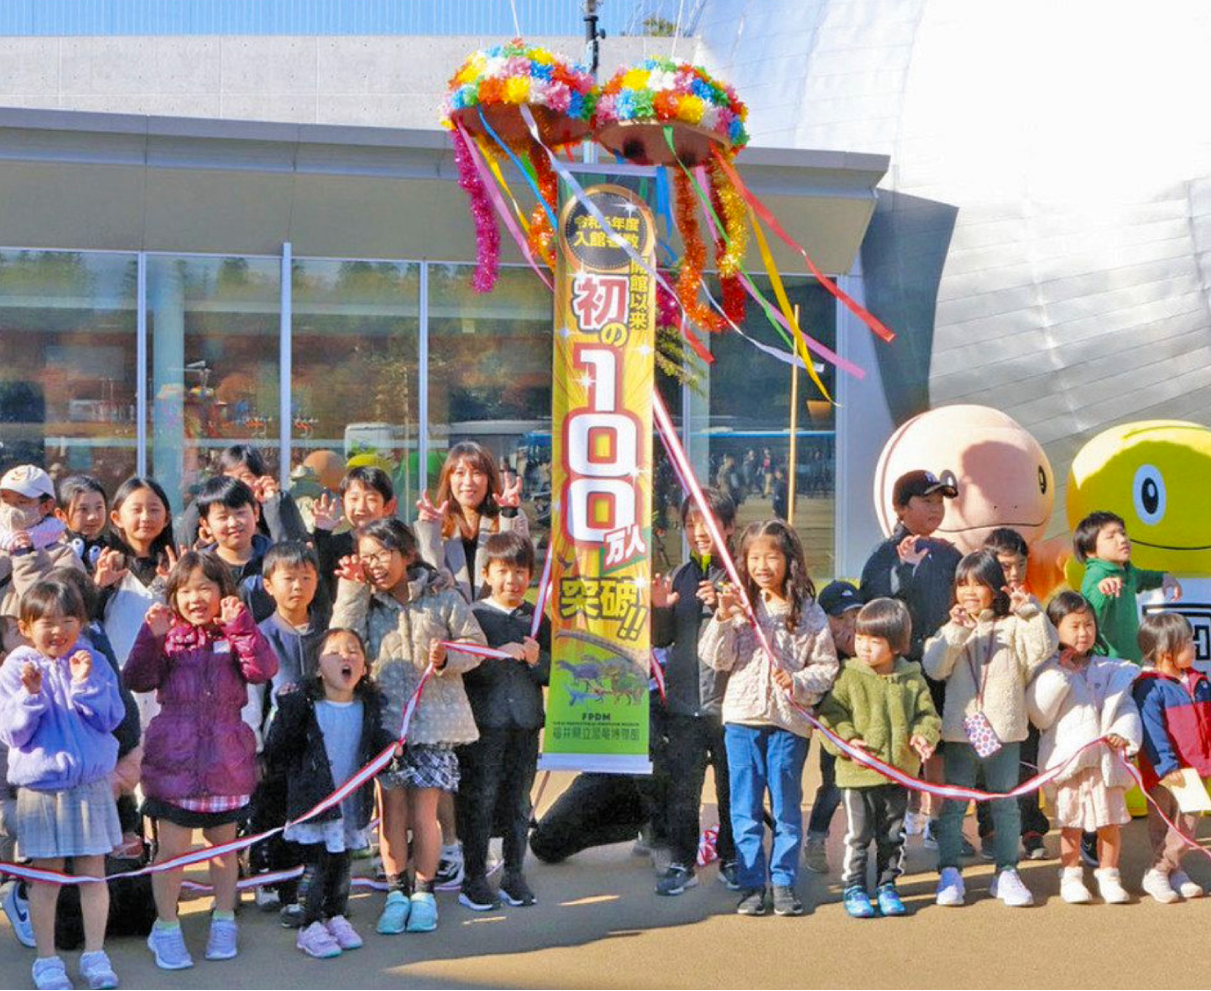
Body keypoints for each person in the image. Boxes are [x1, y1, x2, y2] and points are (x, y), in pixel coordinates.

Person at [331, 518, 486, 936]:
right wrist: (351, 589)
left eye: (382, 554)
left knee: (425, 814)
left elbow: (475, 646)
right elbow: (341, 642)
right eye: (366, 557)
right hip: (386, 727)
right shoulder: (368, 601)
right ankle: (396, 891)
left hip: (434, 724)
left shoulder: (442, 596)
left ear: (408, 554)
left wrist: (447, 660)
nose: (374, 565)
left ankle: (424, 892)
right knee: (391, 813)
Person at [124, 550, 278, 970]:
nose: (196, 598)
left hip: (225, 762)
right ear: (173, 596)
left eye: (205, 588)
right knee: (171, 851)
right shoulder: (166, 636)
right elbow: (137, 678)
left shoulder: (234, 633)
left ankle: (224, 918)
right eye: (186, 590)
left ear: (223, 593)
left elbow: (264, 669)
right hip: (174, 761)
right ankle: (167, 927)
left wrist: (241, 626)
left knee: (224, 850)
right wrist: (149, 637)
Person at [701, 519, 840, 917]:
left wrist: (796, 681)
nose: (762, 566)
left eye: (772, 557)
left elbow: (826, 667)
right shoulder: (741, 605)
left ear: (789, 560)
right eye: (754, 558)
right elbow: (715, 658)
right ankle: (750, 884)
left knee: (785, 807)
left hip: (787, 724)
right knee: (742, 807)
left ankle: (782, 881)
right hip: (742, 721)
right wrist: (725, 618)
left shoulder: (809, 613)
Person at [0, 579, 125, 990]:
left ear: (82, 622)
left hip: (90, 784)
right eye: (47, 621)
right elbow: (11, 734)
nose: (58, 630)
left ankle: (95, 954)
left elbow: (112, 719)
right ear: (26, 625)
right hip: (42, 789)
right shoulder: (16, 667)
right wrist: (31, 696)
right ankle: (47, 960)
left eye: (68, 620)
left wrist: (85, 683)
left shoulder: (93, 658)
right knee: (47, 876)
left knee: (93, 872)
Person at [414, 440, 529, 883]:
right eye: (459, 473)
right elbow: (426, 577)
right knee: (450, 762)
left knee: (490, 762)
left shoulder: (501, 519)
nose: (468, 481)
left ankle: (489, 848)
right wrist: (426, 528)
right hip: (452, 657)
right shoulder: (432, 525)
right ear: (448, 479)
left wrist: (512, 516)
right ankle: (453, 844)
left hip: (495, 656)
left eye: (477, 473)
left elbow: (514, 567)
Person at [923, 549, 1058, 908]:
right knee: (953, 805)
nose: (969, 591)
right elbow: (934, 667)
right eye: (962, 584)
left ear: (994, 587)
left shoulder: (1014, 623)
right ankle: (950, 872)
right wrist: (955, 632)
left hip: (1005, 729)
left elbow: (1044, 649)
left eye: (978, 584)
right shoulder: (951, 627)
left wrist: (1028, 611)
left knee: (1005, 803)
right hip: (960, 730)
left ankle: (1007, 871)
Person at [264, 628, 395, 958]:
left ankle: (336, 915)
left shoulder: (368, 707)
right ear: (318, 666)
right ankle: (309, 925)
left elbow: (377, 749)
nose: (346, 657)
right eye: (335, 652)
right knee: (315, 866)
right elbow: (279, 748)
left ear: (364, 667)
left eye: (353, 651)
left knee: (342, 864)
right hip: (314, 803)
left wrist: (393, 751)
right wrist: (289, 709)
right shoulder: (303, 705)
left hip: (351, 804)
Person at [817, 598, 940, 918]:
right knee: (858, 835)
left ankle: (887, 885)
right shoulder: (848, 675)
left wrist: (922, 735)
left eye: (875, 641)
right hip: (857, 775)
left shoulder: (912, 677)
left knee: (892, 834)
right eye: (860, 638)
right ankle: (855, 887)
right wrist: (849, 741)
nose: (865, 647)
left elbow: (928, 716)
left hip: (898, 772)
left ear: (897, 645)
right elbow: (830, 716)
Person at [859, 469, 961, 846]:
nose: (936, 509)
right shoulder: (883, 555)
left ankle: (936, 821)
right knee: (902, 743)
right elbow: (878, 611)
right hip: (900, 669)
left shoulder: (949, 553)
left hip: (942, 665)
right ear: (901, 508)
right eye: (926, 501)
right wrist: (905, 571)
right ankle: (902, 819)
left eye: (941, 502)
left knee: (939, 745)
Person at [649, 489, 738, 895]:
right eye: (690, 524)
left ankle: (732, 857)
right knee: (683, 791)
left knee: (732, 788)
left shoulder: (742, 575)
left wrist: (729, 606)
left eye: (708, 522)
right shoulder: (680, 577)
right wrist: (660, 609)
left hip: (731, 704)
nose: (699, 532)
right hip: (684, 703)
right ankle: (681, 861)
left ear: (729, 526)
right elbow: (664, 641)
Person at [1027, 591, 1140, 904]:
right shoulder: (1047, 670)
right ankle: (1071, 875)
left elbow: (1126, 707)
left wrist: (1123, 733)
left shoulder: (1109, 668)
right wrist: (1061, 674)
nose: (1083, 632)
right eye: (1074, 626)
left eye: (1088, 625)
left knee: (1109, 823)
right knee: (1070, 824)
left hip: (1105, 763)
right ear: (1055, 629)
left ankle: (1109, 874)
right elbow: (1039, 713)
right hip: (1069, 764)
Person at [457, 531, 550, 911]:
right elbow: (463, 669)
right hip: (484, 725)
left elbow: (551, 672)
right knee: (479, 799)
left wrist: (534, 661)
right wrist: (496, 654)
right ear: (487, 574)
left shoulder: (537, 616)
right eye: (504, 572)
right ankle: (474, 877)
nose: (512, 580)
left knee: (518, 802)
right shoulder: (473, 615)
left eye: (521, 572)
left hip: (525, 723)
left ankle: (514, 873)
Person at [249, 541, 329, 920]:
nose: (297, 586)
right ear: (268, 585)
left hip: (319, 742)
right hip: (276, 739)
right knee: (269, 809)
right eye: (288, 578)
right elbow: (253, 699)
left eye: (306, 578)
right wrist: (257, 749)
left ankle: (302, 879)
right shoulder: (260, 635)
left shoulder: (328, 632)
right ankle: (265, 874)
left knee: (308, 811)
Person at [977, 527, 1051, 860]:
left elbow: (1044, 649)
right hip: (979, 708)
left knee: (1027, 767)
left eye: (1021, 564)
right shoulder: (973, 604)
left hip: (1022, 705)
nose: (1015, 572)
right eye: (1007, 565)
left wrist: (1031, 613)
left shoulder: (1030, 603)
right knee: (985, 770)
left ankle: (1032, 830)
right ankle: (989, 830)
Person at [1132, 612, 1211, 903]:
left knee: (1188, 821)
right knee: (1163, 823)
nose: (1194, 646)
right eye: (1188, 641)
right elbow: (1152, 730)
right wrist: (1166, 765)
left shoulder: (1200, 682)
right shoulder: (1150, 686)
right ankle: (1160, 872)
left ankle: (1169, 869)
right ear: (1166, 652)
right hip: (1165, 771)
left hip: (1197, 767)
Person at [94, 477, 175, 728]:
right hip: (115, 677)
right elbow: (86, 620)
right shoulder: (105, 563)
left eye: (154, 509)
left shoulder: (175, 564)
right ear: (117, 518)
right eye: (136, 510)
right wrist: (98, 586)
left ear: (167, 518)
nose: (146, 517)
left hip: (167, 677)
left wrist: (179, 585)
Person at [802, 580, 861, 874]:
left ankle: (877, 851)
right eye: (840, 617)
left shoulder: (871, 647)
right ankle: (815, 840)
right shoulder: (818, 651)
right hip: (836, 732)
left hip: (870, 734)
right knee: (834, 786)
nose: (848, 625)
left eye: (855, 616)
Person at [1075, 511, 1181, 661]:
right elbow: (1087, 617)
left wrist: (1163, 577)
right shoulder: (1097, 574)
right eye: (1111, 537)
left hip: (1131, 659)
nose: (1122, 539)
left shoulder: (1126, 570)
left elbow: (1142, 577)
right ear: (1091, 552)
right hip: (1108, 664)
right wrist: (1101, 591)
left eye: (1123, 533)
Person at [1, 465, 84, 656]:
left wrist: (28, 554)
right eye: (6, 501)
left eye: (22, 502)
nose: (11, 510)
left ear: (46, 506)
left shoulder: (63, 554)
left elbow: (53, 607)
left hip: (36, 663)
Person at [174, 443, 308, 549]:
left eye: (245, 476)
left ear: (261, 478)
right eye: (229, 477)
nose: (236, 483)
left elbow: (291, 552)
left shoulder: (278, 503)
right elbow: (183, 546)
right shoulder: (205, 504)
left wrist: (273, 505)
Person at [310, 465, 398, 603]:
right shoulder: (332, 544)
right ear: (343, 504)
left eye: (371, 499)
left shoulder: (397, 543)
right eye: (354, 499)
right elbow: (315, 576)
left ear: (388, 507)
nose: (361, 507)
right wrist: (321, 533)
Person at [55, 475, 112, 571]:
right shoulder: (52, 553)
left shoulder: (113, 551)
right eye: (83, 509)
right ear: (61, 515)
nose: (93, 516)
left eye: (99, 507)